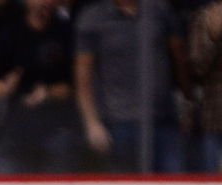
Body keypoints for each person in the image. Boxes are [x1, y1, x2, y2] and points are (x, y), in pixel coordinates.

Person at [73, 0, 192, 172]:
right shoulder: (93, 17)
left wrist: (186, 100)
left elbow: (178, 57)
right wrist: (91, 122)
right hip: (118, 122)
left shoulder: (159, 10)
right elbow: (83, 76)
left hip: (163, 119)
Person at [0, 0, 81, 172]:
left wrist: (48, 93)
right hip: (14, 128)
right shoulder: (9, 33)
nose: (44, 3)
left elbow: (73, 85)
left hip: (56, 128)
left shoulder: (64, 33)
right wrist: (6, 88)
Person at [187, 0, 222, 172]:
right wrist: (214, 38)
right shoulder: (206, 17)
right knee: (212, 184)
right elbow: (197, 68)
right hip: (215, 119)